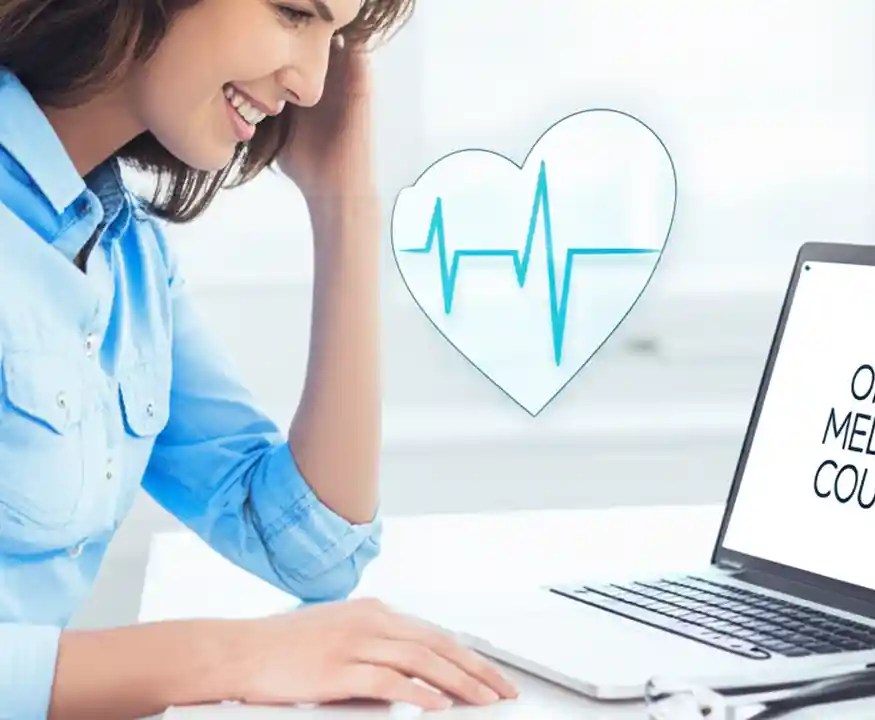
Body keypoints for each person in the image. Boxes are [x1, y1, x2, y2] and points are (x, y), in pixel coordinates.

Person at [0, 0, 519, 717]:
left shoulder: (126, 255)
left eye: (335, 38)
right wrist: (230, 656)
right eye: (294, 13)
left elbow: (315, 549)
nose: (311, 84)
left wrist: (344, 205)